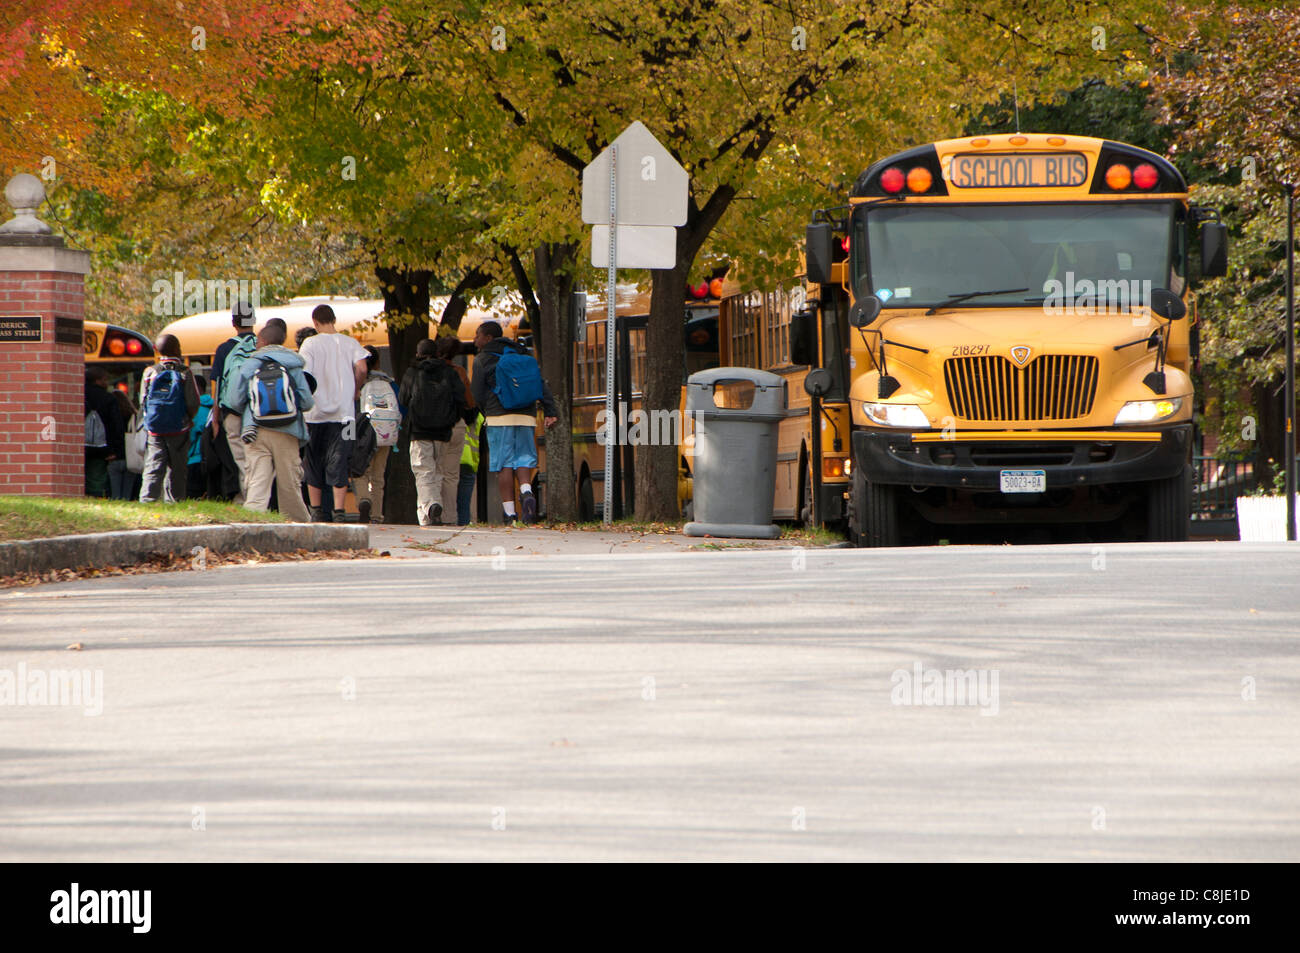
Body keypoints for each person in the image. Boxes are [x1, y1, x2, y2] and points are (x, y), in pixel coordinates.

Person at [471, 321, 557, 525]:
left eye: (478, 335)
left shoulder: (482, 359)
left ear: (489, 338)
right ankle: (526, 491)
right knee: (524, 459)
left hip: (498, 417)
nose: (475, 340)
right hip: (526, 416)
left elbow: (477, 394)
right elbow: (540, 384)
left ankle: (510, 514)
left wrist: (488, 412)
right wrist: (549, 410)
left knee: (504, 465)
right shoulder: (523, 354)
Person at [228, 317, 314, 521]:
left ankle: (251, 526)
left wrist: (252, 409)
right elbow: (308, 402)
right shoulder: (293, 364)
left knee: (257, 483)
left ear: (263, 342)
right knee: (290, 486)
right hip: (288, 431)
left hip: (255, 431)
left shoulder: (250, 365)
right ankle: (299, 529)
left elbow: (234, 400)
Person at [299, 303, 368, 522]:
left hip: (314, 415)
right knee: (342, 459)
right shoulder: (350, 342)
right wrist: (355, 389)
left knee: (313, 461)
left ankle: (317, 510)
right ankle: (340, 511)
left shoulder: (310, 343)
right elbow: (363, 368)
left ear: (315, 323)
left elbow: (304, 374)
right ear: (334, 320)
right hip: (346, 416)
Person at [398, 338, 465, 526]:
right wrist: (450, 420)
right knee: (437, 472)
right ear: (436, 353)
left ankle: (432, 506)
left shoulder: (412, 373)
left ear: (418, 354)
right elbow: (461, 400)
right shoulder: (450, 372)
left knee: (423, 471)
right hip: (444, 432)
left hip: (419, 431)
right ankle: (428, 518)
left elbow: (403, 399)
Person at [139, 334, 200, 503]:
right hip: (179, 429)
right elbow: (194, 402)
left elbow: (143, 401)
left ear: (158, 350)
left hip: (155, 429)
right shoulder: (184, 372)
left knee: (154, 465)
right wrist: (188, 418)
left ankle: (148, 499)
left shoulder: (150, 372)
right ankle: (175, 500)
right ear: (177, 349)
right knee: (177, 467)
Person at [210, 302, 257, 503]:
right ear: (253, 321)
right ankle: (262, 499)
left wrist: (215, 420)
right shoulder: (262, 344)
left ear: (233, 322)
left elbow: (218, 387)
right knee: (259, 456)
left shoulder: (224, 349)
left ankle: (248, 499)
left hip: (234, 413)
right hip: (260, 412)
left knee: (241, 459)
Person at [355, 345, 401, 523]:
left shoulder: (358, 383)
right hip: (385, 435)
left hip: (363, 434)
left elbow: (352, 411)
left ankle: (364, 499)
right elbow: (400, 409)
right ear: (378, 361)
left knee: (360, 473)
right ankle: (376, 515)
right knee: (378, 477)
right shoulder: (389, 383)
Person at [435, 334, 476, 519]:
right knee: (452, 476)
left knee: (434, 472)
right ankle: (450, 517)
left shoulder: (429, 370)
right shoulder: (459, 371)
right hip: (457, 426)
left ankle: (433, 512)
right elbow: (470, 402)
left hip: (435, 427)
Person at [84, 367, 125, 498]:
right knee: (97, 479)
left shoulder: (77, 395)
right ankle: (96, 499)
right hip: (101, 448)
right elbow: (116, 425)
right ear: (98, 381)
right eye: (105, 379)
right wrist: (116, 450)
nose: (107, 383)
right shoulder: (108, 398)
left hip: (80, 446)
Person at [109, 387, 141, 501]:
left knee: (115, 493)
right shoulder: (134, 417)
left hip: (114, 458)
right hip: (131, 459)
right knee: (128, 493)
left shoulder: (111, 417)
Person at [187, 376, 214, 498]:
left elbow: (190, 437)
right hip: (210, 460)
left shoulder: (195, 410)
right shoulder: (211, 408)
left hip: (194, 460)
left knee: (191, 496)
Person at [458, 409, 484, 525]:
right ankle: (463, 523)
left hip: (453, 459)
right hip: (471, 461)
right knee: (464, 502)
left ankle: (449, 521)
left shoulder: (454, 412)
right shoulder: (479, 417)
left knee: (448, 497)